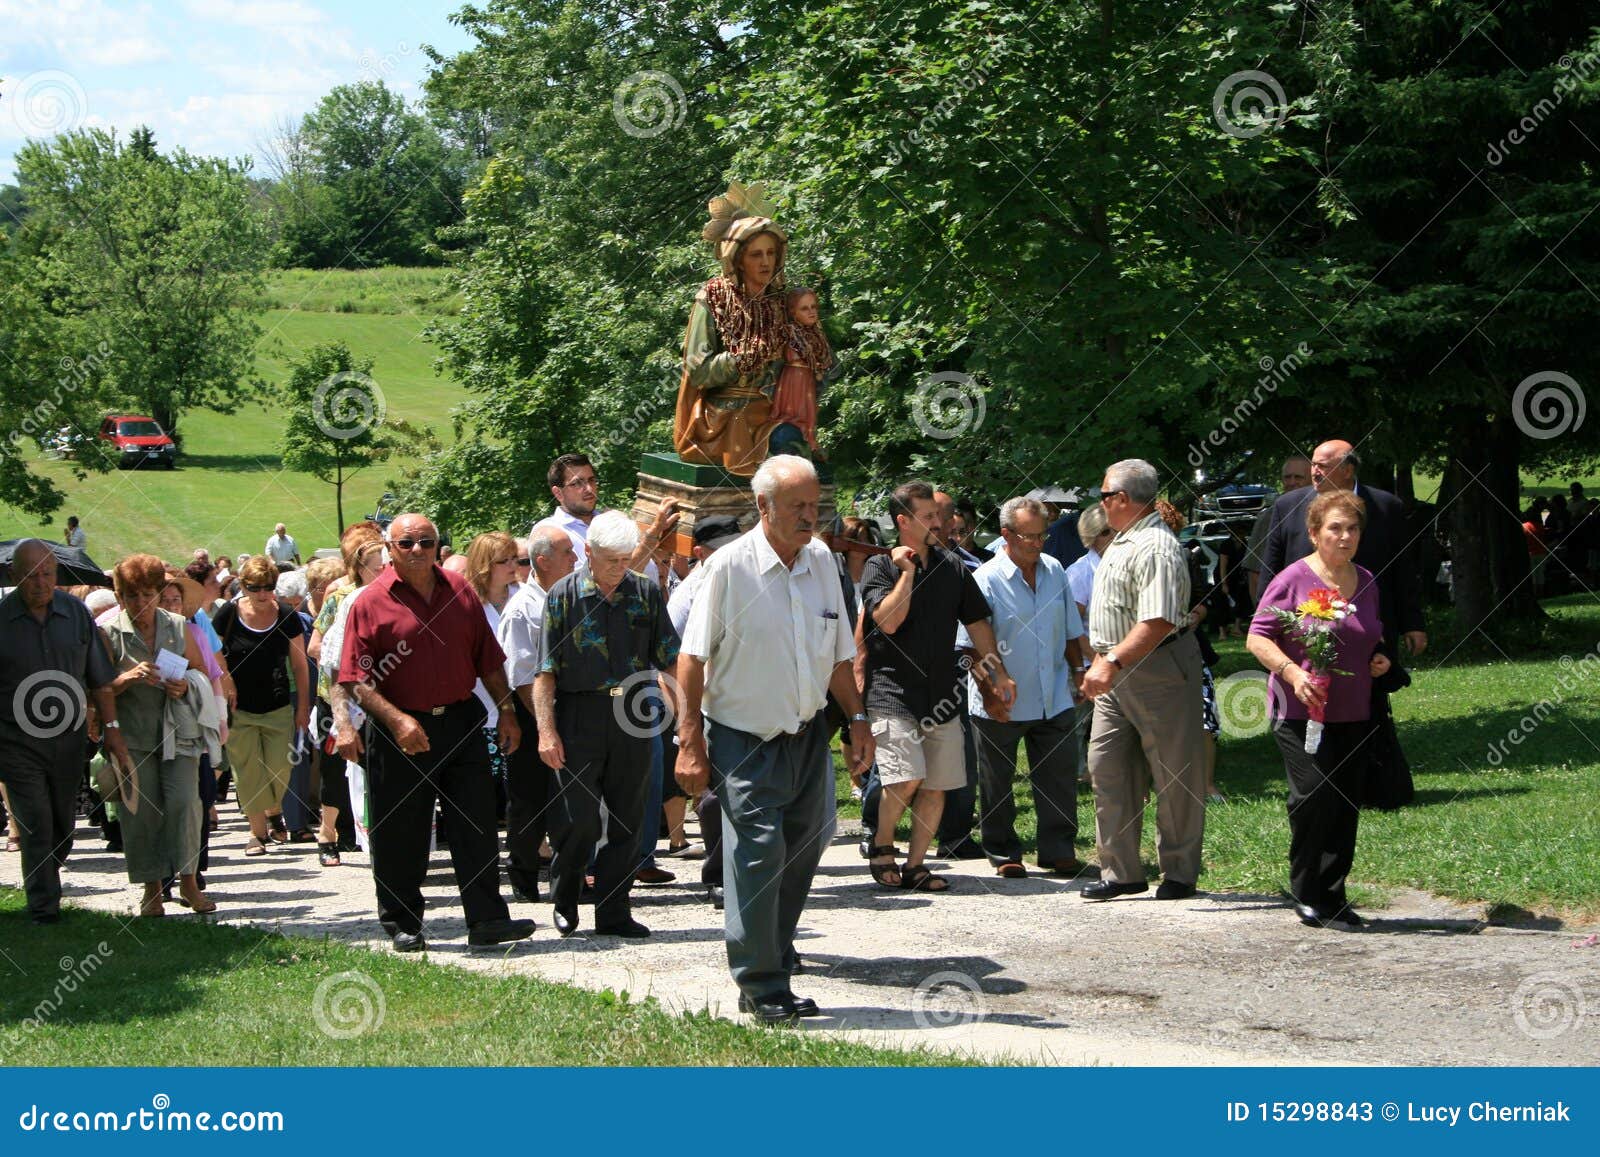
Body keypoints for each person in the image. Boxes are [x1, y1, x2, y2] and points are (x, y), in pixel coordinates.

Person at [677, 455, 872, 1023]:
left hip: (807, 733)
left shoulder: (822, 564)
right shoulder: (728, 568)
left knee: (808, 843)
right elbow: (691, 659)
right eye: (798, 507)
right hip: (744, 738)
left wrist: (857, 721)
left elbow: (838, 657)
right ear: (763, 508)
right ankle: (760, 985)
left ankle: (776, 958)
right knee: (759, 855)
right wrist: (690, 739)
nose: (811, 517)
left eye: (815, 505)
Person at [333, 513, 533, 953]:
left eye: (426, 542)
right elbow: (354, 678)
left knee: (476, 825)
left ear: (438, 544)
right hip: (399, 728)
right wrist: (397, 720)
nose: (418, 550)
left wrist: (508, 712)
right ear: (390, 548)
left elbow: (489, 659)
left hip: (461, 721)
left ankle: (486, 920)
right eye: (407, 544)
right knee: (400, 832)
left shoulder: (459, 590)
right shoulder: (369, 602)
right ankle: (402, 922)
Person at [860, 480, 1014, 894]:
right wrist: (907, 573)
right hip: (891, 690)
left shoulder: (954, 567)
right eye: (928, 517)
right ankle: (882, 842)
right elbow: (888, 621)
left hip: (942, 691)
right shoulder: (880, 566)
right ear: (903, 521)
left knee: (937, 784)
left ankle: (915, 865)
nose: (939, 524)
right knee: (905, 775)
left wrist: (997, 674)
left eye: (938, 516)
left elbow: (979, 622)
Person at [534, 511, 680, 940]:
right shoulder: (563, 596)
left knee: (629, 818)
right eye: (610, 559)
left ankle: (614, 909)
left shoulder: (646, 593)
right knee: (579, 819)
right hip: (580, 714)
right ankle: (565, 896)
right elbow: (545, 671)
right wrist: (546, 730)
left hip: (633, 713)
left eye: (624, 559)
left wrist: (682, 713)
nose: (619, 568)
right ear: (588, 553)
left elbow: (669, 656)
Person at [1248, 491, 1391, 928]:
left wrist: (1379, 658)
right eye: (1335, 528)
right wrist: (1292, 673)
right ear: (1314, 533)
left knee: (1345, 802)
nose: (1345, 536)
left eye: (1352, 529)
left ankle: (1335, 895)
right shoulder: (1293, 578)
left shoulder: (1366, 579)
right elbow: (1257, 636)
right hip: (1300, 710)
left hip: (1354, 710)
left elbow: (1367, 635)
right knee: (1314, 794)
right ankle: (1307, 891)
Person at [1081, 459, 1206, 902]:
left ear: (1120, 499)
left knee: (1173, 775)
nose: (1099, 503)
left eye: (1102, 495)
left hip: (1156, 669)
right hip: (1116, 671)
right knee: (1107, 768)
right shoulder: (1124, 539)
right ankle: (1121, 872)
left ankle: (1179, 873)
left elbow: (1156, 621)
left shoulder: (1155, 545)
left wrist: (1110, 661)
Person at [964, 497, 1090, 878]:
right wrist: (989, 691)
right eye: (1028, 536)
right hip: (1000, 699)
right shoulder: (984, 579)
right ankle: (1004, 853)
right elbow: (970, 645)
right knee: (997, 781)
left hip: (1053, 693)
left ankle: (1058, 850)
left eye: (1043, 535)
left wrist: (1078, 672)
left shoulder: (1054, 570)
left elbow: (1070, 629)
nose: (1038, 543)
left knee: (1059, 775)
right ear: (1006, 534)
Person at [0, 540, 125, 923]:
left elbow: (100, 679)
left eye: (47, 575)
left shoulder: (76, 614)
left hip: (69, 740)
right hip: (15, 742)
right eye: (31, 575)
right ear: (13, 576)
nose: (40, 583)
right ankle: (44, 908)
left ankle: (46, 872)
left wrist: (113, 732)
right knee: (36, 820)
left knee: (62, 824)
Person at [101, 553, 214, 917]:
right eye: (131, 595)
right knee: (141, 814)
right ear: (120, 596)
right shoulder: (108, 633)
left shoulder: (178, 626)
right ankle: (151, 890)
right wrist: (127, 679)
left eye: (147, 594)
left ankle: (189, 884)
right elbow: (99, 689)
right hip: (132, 737)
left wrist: (184, 685)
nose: (140, 603)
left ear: (158, 591)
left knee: (185, 804)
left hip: (179, 733)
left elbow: (200, 671)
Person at [1258, 441, 1426, 659]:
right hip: (1303, 632)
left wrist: (1412, 623)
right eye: (1313, 465)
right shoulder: (1287, 506)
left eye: (1323, 466)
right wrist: (1265, 623)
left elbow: (1402, 569)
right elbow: (1270, 569)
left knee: (1368, 691)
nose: (1315, 473)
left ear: (1348, 470)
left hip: (1371, 632)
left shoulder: (1386, 507)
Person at [674, 184, 794, 475]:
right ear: (738, 259)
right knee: (782, 449)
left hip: (774, 411)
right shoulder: (712, 298)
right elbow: (697, 370)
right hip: (725, 418)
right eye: (756, 255)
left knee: (793, 446)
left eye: (770, 253)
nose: (766, 262)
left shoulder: (785, 302)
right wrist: (741, 358)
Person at [665, 514, 747, 909]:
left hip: (746, 704)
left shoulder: (742, 583)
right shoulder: (686, 598)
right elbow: (670, 665)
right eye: (723, 547)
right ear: (700, 552)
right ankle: (718, 878)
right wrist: (686, 728)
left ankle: (747, 874)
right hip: (706, 709)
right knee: (714, 799)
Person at [496, 525, 579, 902]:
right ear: (543, 561)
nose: (576, 559)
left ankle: (568, 879)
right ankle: (524, 875)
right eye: (567, 553)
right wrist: (548, 726)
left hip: (570, 714)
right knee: (529, 802)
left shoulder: (571, 599)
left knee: (569, 803)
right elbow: (522, 676)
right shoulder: (523, 610)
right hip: (535, 718)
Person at [211, 556, 310, 856]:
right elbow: (213, 652)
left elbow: (301, 665)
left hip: (278, 704)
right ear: (243, 586)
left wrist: (303, 707)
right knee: (248, 770)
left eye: (268, 587)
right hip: (239, 706)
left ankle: (273, 810)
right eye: (255, 588)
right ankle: (257, 835)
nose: (263, 595)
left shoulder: (285, 616)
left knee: (280, 768)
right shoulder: (228, 613)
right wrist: (225, 680)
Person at [307, 526, 384, 866]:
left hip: (380, 699)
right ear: (359, 565)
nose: (384, 569)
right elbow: (316, 646)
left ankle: (374, 835)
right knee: (336, 769)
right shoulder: (340, 597)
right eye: (377, 564)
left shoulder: (396, 595)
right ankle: (328, 832)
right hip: (338, 699)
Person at [466, 531, 522, 809]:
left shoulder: (525, 597)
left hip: (521, 701)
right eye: (504, 561)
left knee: (522, 785)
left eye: (515, 558)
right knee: (481, 787)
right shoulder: (466, 604)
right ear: (484, 564)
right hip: (480, 706)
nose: (513, 566)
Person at [1067, 504, 1113, 780]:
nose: (1115, 537)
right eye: (1107, 532)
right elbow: (1072, 626)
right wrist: (1093, 662)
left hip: (1118, 661)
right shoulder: (1080, 572)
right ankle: (1076, 774)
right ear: (1092, 537)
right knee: (1079, 725)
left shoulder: (1120, 564)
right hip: (1087, 663)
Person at [1246, 455, 1312, 602]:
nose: (1292, 482)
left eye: (1298, 477)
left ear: (1313, 479)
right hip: (1285, 606)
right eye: (1287, 477)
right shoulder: (1270, 517)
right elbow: (1256, 574)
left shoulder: (1326, 512)